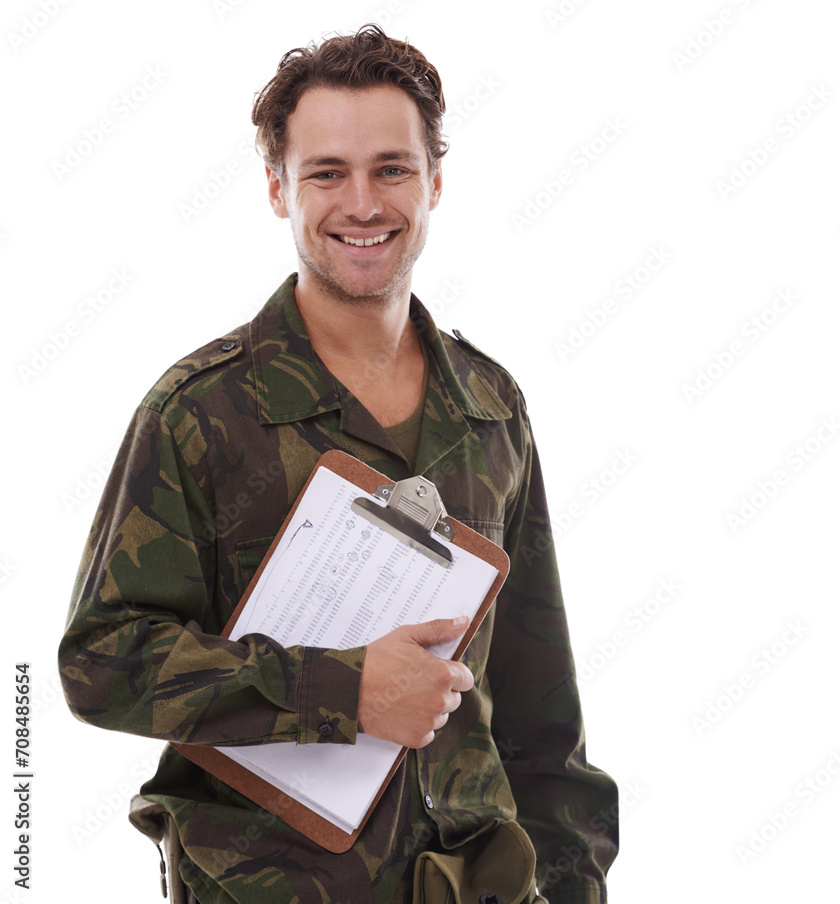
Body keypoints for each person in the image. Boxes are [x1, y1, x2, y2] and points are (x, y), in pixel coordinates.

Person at [59, 23, 618, 904]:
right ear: (277, 188)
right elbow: (102, 663)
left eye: (392, 169)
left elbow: (540, 707)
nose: (362, 203)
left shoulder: (490, 406)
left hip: (476, 882)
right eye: (326, 173)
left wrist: (575, 883)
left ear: (435, 181)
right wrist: (343, 689)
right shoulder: (199, 413)